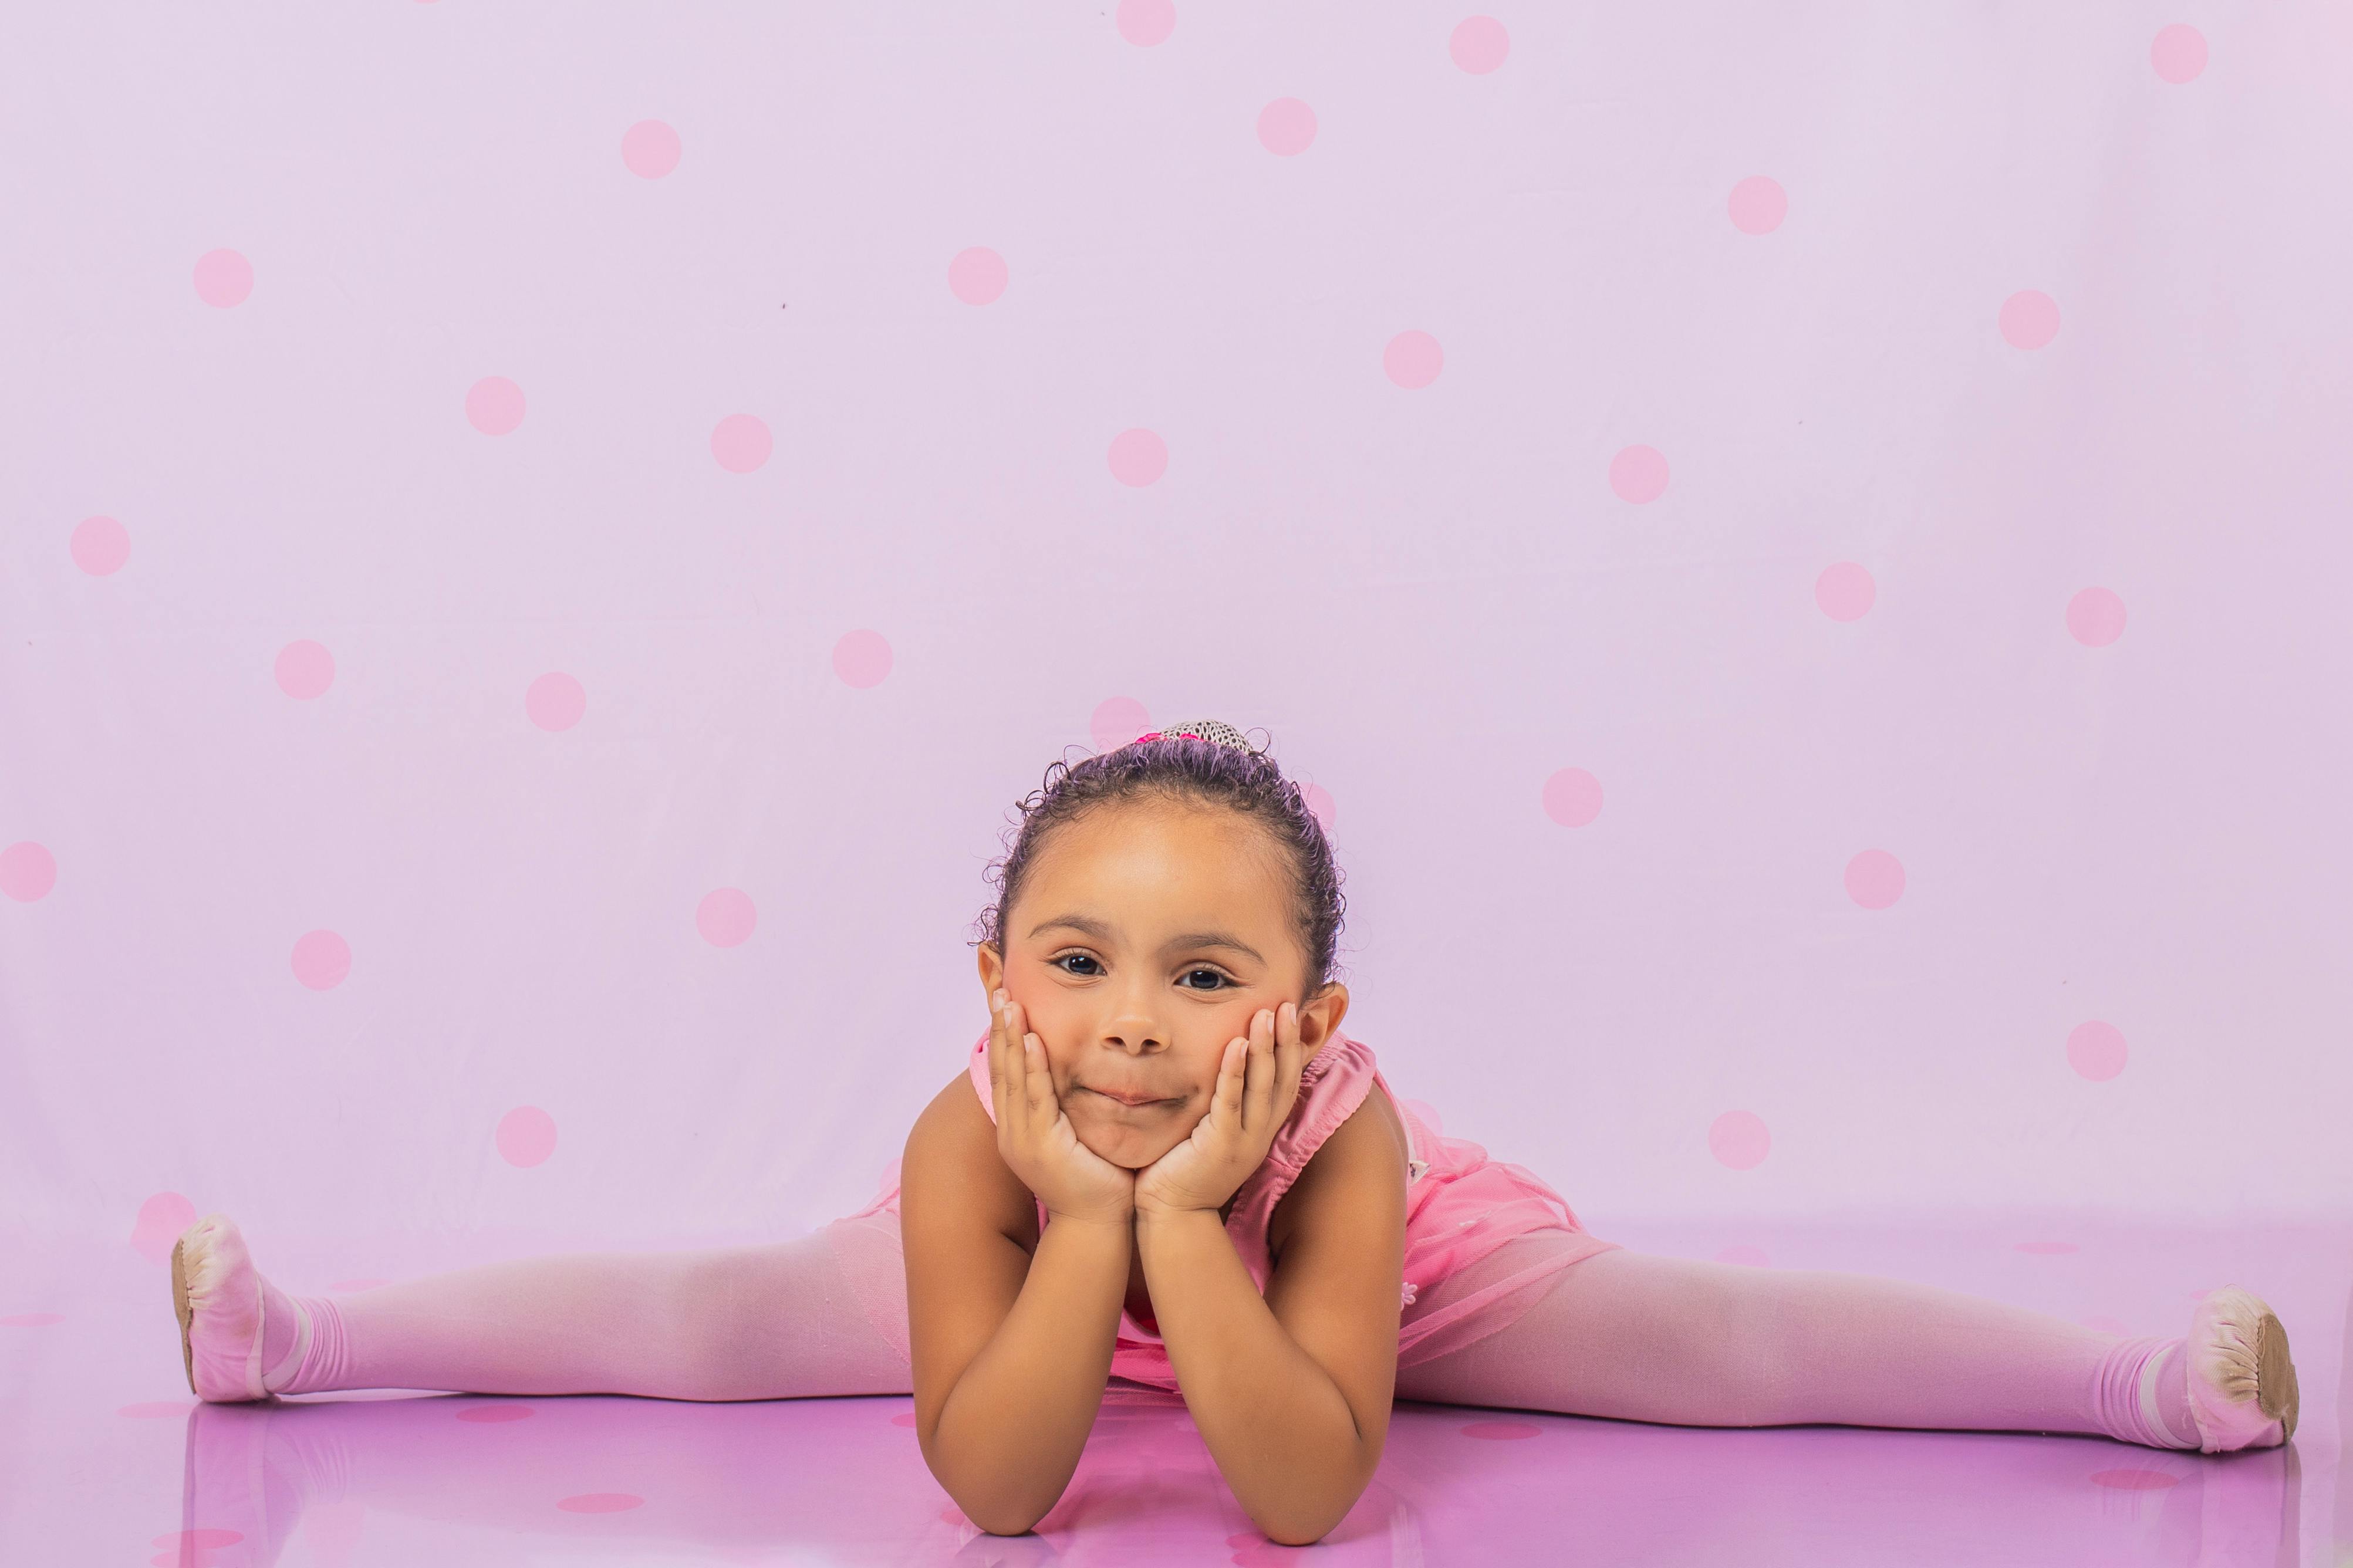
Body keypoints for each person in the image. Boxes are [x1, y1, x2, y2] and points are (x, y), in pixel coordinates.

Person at [168, 720, 2301, 1546]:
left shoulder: (1346, 1143)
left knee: (1713, 1349)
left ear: (1311, 1020)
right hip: (1051, 1274)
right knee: (711, 1308)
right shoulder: (965, 1141)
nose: (1130, 1028)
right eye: (1077, 965)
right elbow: (1000, 1491)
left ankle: (2137, 1390)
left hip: (1332, 1281)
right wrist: (1079, 1222)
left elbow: (1296, 1492)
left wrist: (1190, 1210)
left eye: (1205, 983)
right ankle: (311, 1338)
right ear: (997, 982)